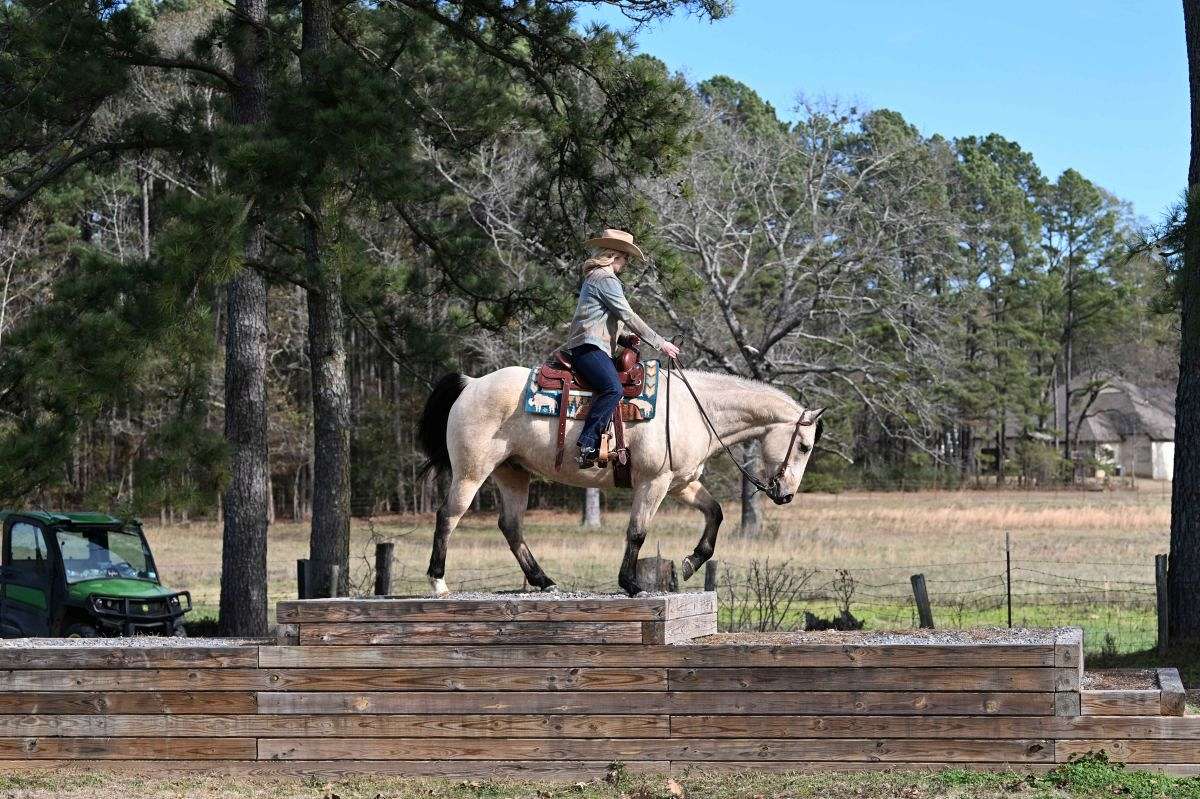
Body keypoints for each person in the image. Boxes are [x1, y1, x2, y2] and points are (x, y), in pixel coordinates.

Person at [561, 229, 681, 467]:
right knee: (613, 389)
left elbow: (601, 320)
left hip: (591, 344)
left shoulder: (596, 277)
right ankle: (587, 442)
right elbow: (626, 314)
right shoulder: (605, 279)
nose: (626, 263)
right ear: (616, 255)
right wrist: (660, 342)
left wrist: (626, 339)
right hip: (589, 347)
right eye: (625, 258)